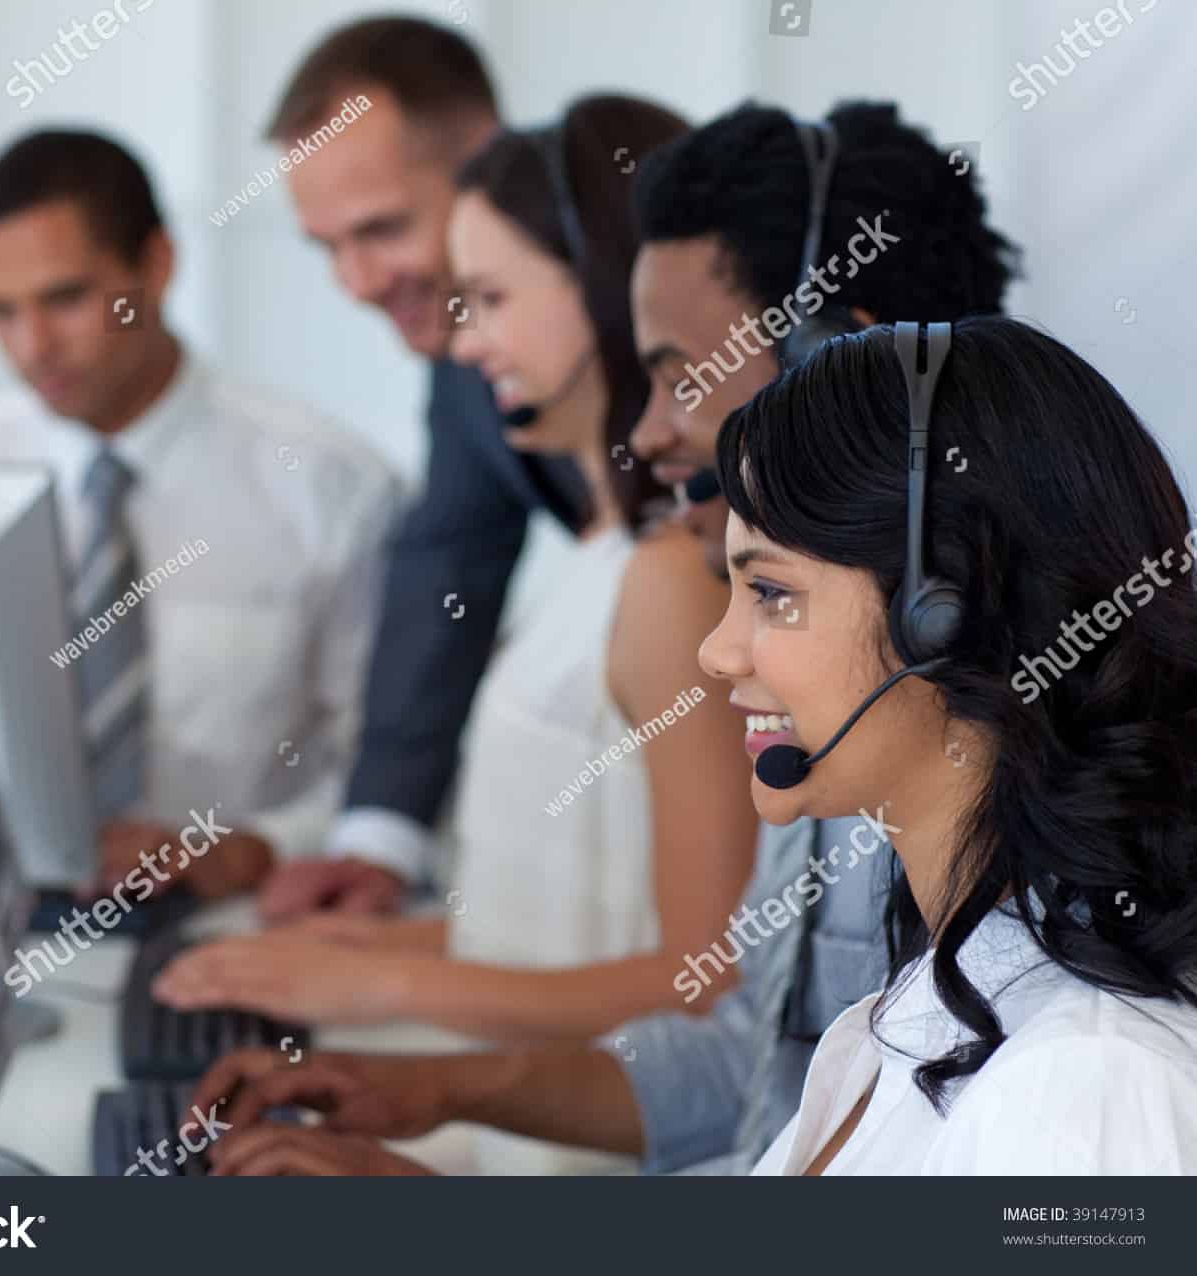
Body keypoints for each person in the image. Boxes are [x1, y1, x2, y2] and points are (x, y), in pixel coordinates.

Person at [180, 102, 1027, 1177]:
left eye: (678, 375)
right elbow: (749, 1070)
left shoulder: (1017, 828)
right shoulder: (822, 723)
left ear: (833, 357)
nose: (650, 429)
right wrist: (425, 1087)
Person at [154, 104, 759, 1174]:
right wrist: (386, 945)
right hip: (512, 1120)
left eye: (491, 299)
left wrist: (385, 983)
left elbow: (704, 978)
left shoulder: (673, 581)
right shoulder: (593, 546)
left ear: (606, 287)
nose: (462, 341)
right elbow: (579, 907)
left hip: (578, 1151)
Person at [704, 316, 1197, 1173]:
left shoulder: (1079, 1093)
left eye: (772, 593)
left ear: (944, 615)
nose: (717, 652)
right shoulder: (930, 1009)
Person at [0, 130, 402, 902]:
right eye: (1, 311)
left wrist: (256, 849)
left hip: (237, 921)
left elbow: (395, 764)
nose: (33, 346)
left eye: (66, 299)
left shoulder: (330, 485)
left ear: (155, 265)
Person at [251, 15, 599, 919]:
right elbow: (449, 564)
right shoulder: (465, 352)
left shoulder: (685, 324)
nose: (358, 283)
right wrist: (377, 841)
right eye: (328, 247)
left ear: (488, 162)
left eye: (382, 229)